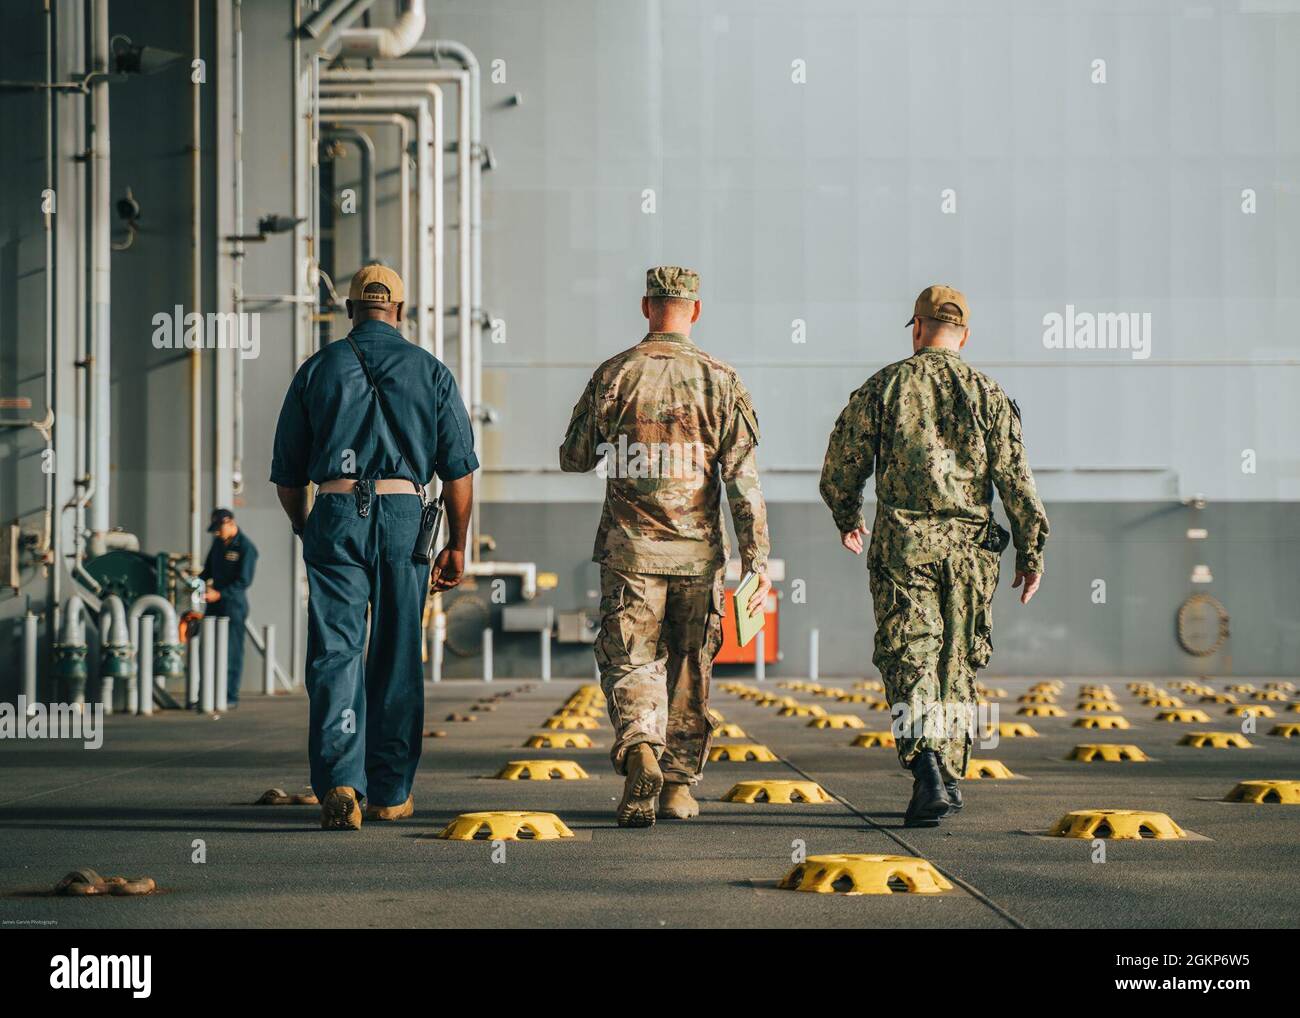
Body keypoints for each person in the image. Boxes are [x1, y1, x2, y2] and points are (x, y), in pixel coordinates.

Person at [819, 284, 1049, 828]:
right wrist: (1031, 551)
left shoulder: (885, 386)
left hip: (905, 546)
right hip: (971, 551)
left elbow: (841, 465)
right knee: (958, 661)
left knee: (910, 655)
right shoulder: (990, 395)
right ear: (964, 335)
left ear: (917, 328)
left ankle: (927, 769)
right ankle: (947, 771)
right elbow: (1017, 480)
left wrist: (848, 516)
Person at [560, 266, 772, 828]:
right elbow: (743, 484)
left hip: (630, 554)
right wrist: (757, 560)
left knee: (631, 660)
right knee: (689, 668)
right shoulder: (721, 380)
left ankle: (640, 750)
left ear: (645, 306)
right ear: (695, 310)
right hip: (699, 559)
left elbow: (575, 456)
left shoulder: (615, 374)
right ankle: (678, 789)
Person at [270, 264, 477, 831]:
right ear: (401, 312)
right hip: (406, 514)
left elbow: (288, 475)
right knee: (398, 653)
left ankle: (341, 781)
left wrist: (307, 525)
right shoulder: (430, 371)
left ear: (350, 312)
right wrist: (457, 545)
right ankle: (389, 792)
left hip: (334, 510)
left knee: (336, 652)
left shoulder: (317, 370)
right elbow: (458, 473)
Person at [199, 508, 258, 707]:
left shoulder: (246, 548)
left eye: (219, 528)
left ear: (230, 523)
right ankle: (206, 694)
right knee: (207, 648)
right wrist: (196, 582)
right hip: (213, 603)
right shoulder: (217, 544)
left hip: (233, 605)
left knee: (232, 652)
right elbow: (206, 571)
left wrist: (220, 594)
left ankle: (230, 696)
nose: (216, 533)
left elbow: (244, 581)